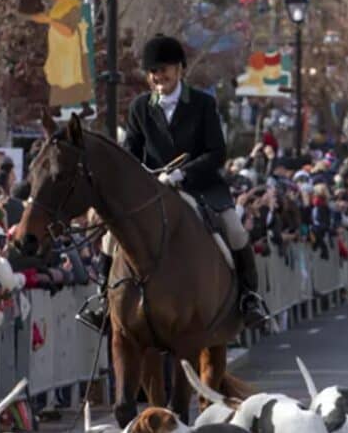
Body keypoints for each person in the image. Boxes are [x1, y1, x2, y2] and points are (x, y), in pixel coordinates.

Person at [115, 34, 268, 330]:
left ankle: (249, 297)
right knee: (112, 236)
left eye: (165, 69)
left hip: (200, 185)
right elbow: (131, 153)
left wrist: (181, 173)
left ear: (180, 69)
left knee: (235, 230)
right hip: (153, 190)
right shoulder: (140, 107)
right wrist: (142, 176)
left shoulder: (202, 104)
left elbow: (216, 152)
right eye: (154, 71)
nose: (159, 76)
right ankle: (102, 300)